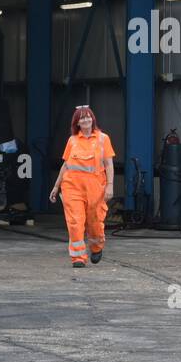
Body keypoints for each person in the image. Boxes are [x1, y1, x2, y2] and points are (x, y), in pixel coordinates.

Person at [47, 106, 115, 268]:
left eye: (88, 117)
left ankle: (97, 247)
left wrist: (110, 186)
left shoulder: (103, 139)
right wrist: (56, 187)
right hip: (72, 187)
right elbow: (66, 165)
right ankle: (78, 258)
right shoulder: (72, 141)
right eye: (82, 118)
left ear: (93, 119)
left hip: (95, 188)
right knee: (75, 222)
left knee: (95, 222)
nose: (86, 120)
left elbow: (109, 164)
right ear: (76, 122)